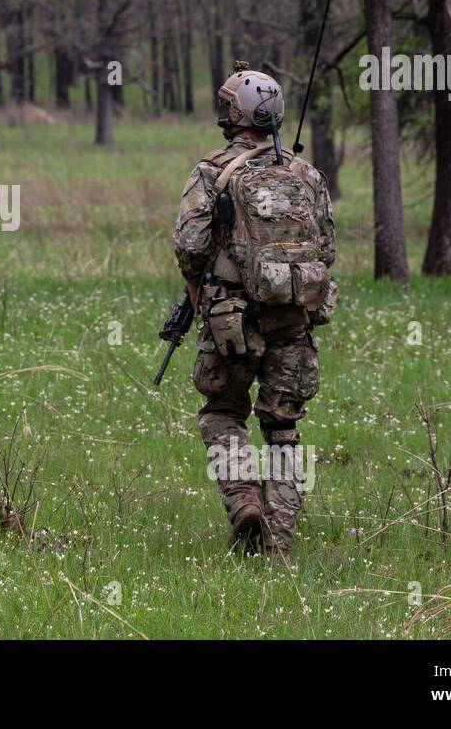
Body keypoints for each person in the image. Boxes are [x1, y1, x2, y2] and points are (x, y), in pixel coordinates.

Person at [172, 62, 337, 556]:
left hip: (230, 321)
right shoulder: (307, 175)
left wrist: (203, 293)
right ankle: (280, 541)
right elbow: (325, 251)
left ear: (234, 114)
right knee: (283, 426)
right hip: (293, 319)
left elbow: (190, 246)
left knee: (222, 413)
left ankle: (243, 499)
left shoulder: (211, 170)